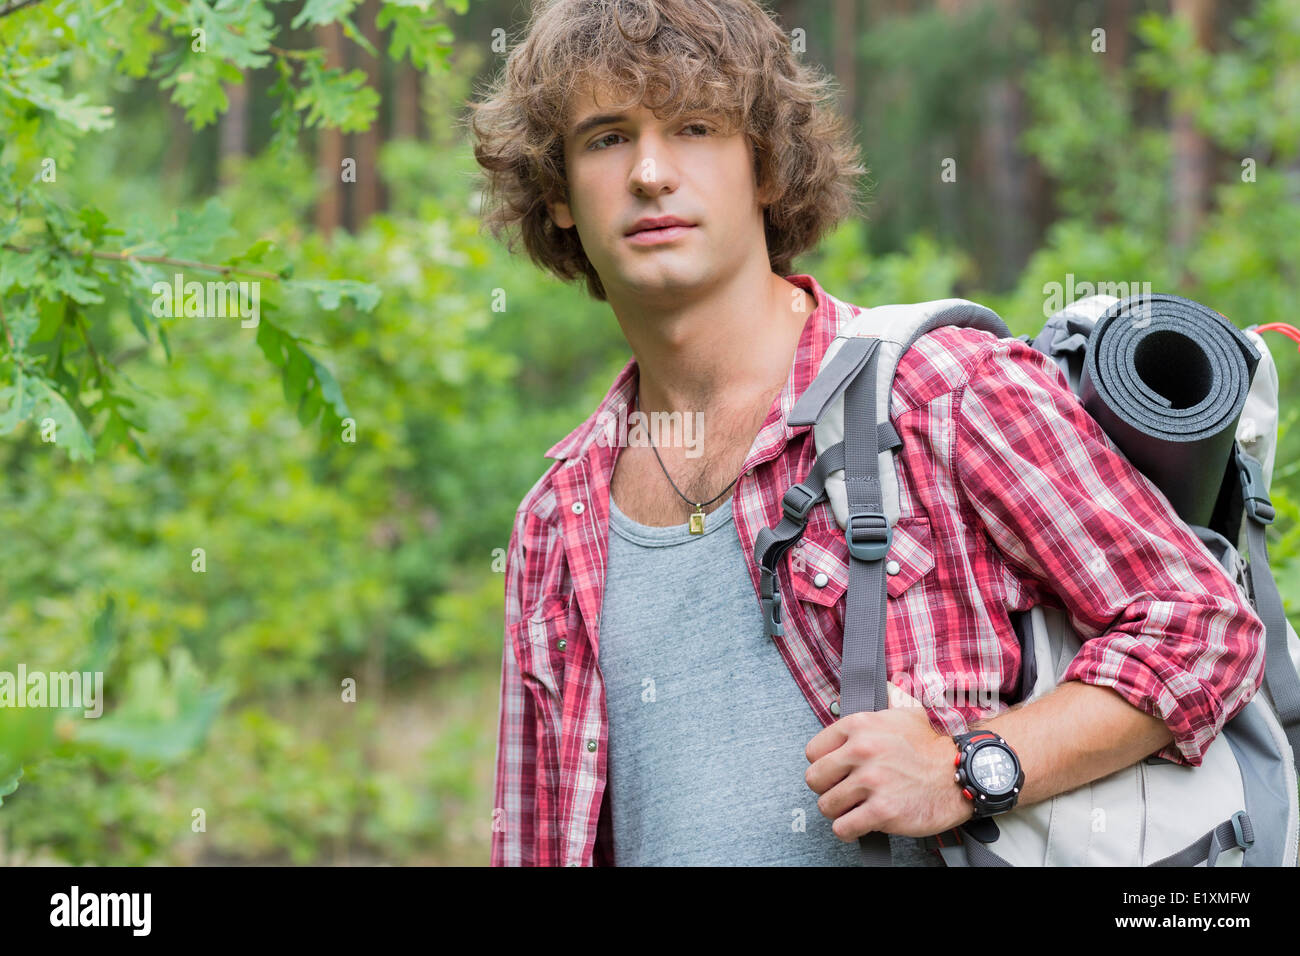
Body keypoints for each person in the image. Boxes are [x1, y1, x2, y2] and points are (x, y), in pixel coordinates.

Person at [466, 0, 1265, 867]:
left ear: (765, 169)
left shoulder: (938, 389)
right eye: (607, 137)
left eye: (695, 126)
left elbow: (1204, 628)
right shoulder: (554, 521)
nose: (652, 172)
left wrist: (972, 768)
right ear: (557, 200)